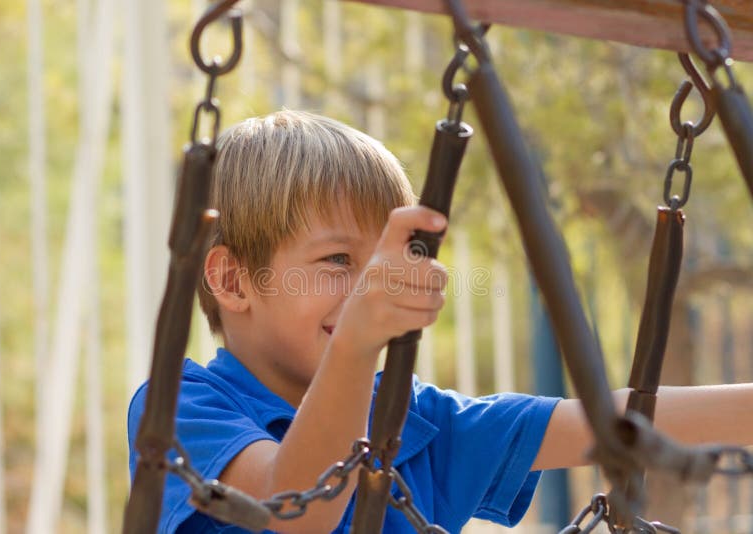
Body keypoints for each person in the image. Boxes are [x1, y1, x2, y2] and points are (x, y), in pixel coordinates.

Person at [127, 110, 753, 534]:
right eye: (339, 260)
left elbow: (607, 419)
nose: (373, 283)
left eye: (384, 262)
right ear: (232, 280)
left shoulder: (420, 423)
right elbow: (293, 509)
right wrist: (356, 343)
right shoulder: (183, 406)